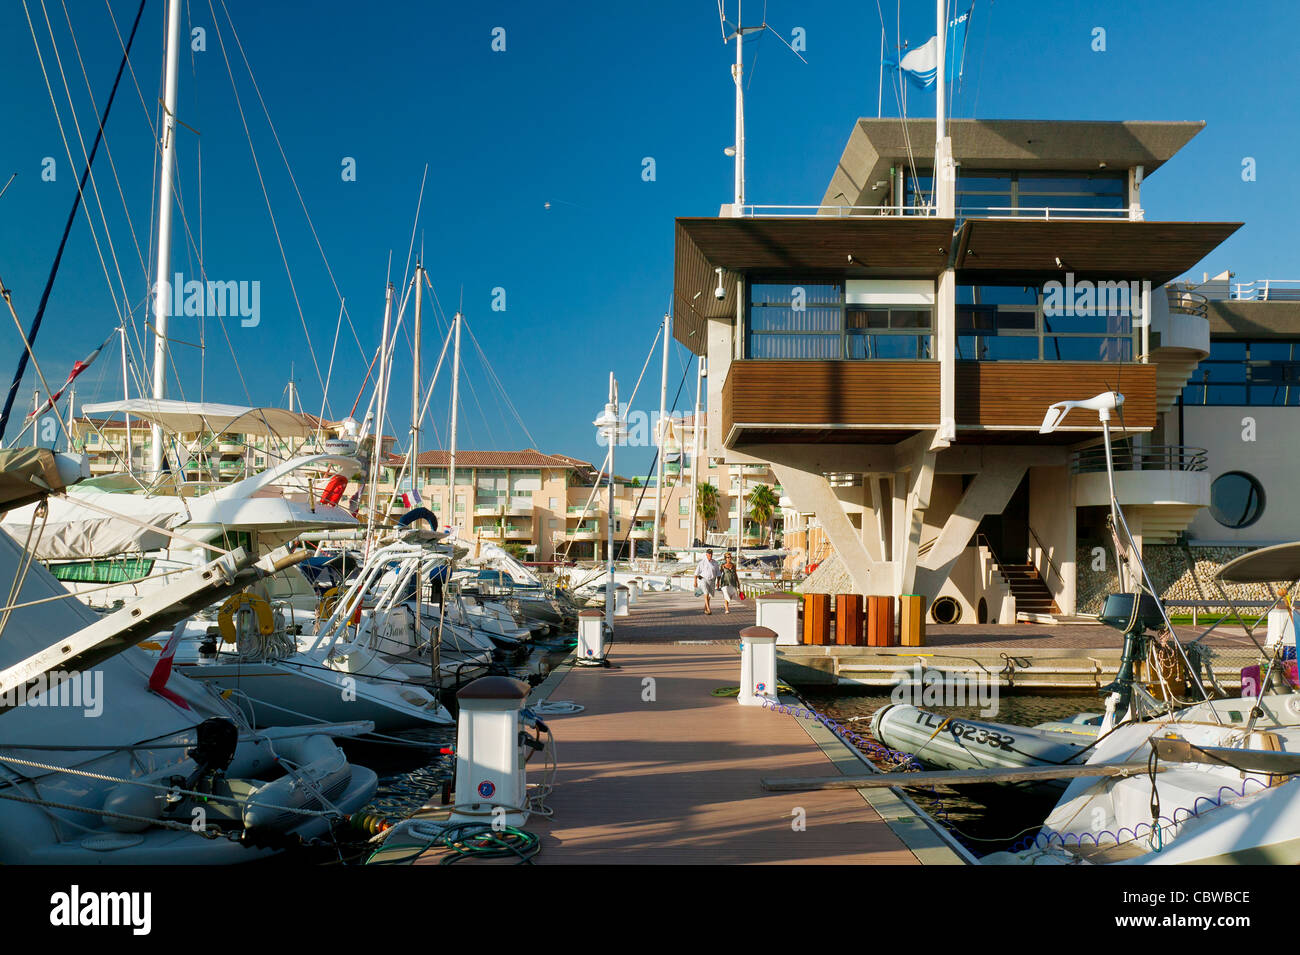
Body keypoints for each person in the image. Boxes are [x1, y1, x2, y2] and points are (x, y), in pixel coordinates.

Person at [694, 548, 721, 615]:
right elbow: (696, 573)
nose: (710, 555)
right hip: (704, 579)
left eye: (711, 553)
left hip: (712, 580)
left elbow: (718, 574)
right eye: (709, 553)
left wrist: (718, 582)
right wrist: (695, 582)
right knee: (706, 594)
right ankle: (709, 609)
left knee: (709, 596)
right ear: (706, 554)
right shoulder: (702, 562)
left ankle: (705, 608)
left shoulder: (715, 563)